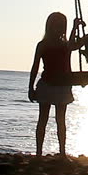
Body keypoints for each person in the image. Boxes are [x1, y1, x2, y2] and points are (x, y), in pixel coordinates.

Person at [28, 12, 78, 157]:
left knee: (60, 121)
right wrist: (30, 87)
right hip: (47, 85)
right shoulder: (43, 45)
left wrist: (75, 27)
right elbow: (35, 67)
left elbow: (72, 45)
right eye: (56, 25)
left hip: (62, 86)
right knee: (43, 120)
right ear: (49, 26)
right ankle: (39, 153)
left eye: (61, 25)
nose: (58, 28)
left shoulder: (65, 45)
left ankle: (62, 153)